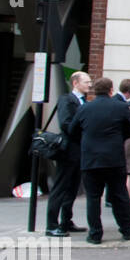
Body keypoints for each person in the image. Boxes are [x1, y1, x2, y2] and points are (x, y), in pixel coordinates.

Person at [68, 77, 130, 244]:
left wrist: (86, 141)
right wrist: (118, 138)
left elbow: (72, 130)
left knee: (93, 198)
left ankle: (95, 234)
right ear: (111, 90)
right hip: (114, 158)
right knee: (119, 195)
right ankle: (126, 230)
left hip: (91, 159)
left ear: (94, 91)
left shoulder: (85, 108)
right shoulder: (121, 107)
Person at [44, 72, 90, 237]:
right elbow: (65, 123)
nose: (89, 85)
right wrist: (84, 131)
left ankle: (66, 221)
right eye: (86, 82)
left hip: (78, 151)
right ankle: (51, 225)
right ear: (76, 82)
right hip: (68, 150)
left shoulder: (83, 101)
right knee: (60, 187)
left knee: (72, 188)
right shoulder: (66, 99)